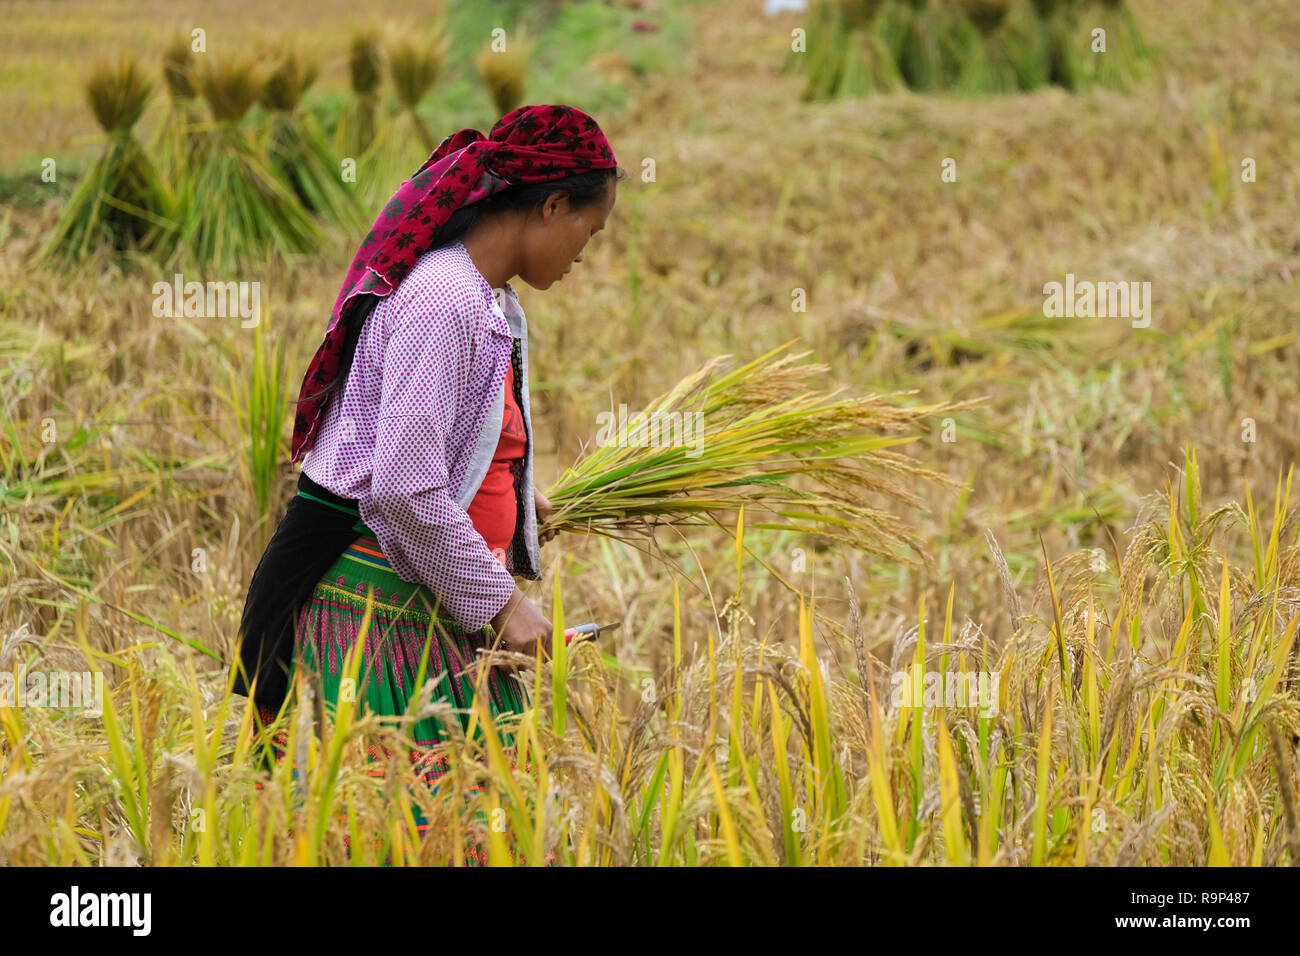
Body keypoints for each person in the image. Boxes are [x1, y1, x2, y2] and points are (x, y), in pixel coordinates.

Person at [232, 104, 623, 854]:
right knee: (417, 836)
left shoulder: (485, 298)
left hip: (426, 604)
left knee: (461, 829)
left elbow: (449, 445)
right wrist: (506, 605)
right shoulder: (447, 302)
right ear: (551, 205)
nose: (585, 254)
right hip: (380, 611)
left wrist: (513, 494)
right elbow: (404, 489)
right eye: (590, 231)